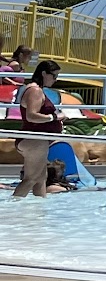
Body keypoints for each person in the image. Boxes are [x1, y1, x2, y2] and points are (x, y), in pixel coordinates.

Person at [12, 59, 63, 198]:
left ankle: (39, 213)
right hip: (34, 139)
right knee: (31, 179)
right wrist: (54, 117)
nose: (55, 80)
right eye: (54, 76)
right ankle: (10, 210)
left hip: (36, 139)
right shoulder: (35, 90)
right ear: (44, 73)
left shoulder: (36, 90)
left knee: (41, 179)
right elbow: (31, 116)